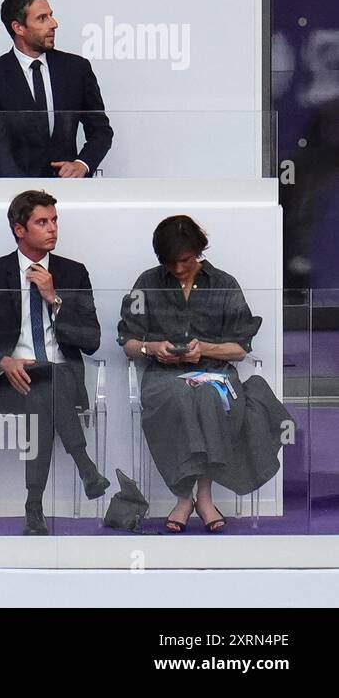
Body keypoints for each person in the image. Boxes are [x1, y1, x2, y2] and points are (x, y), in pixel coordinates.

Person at [118, 216, 287, 534]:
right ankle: (185, 496)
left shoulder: (224, 284)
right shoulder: (147, 283)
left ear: (198, 249)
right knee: (179, 398)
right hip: (164, 376)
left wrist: (205, 350)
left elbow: (240, 348)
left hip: (215, 373)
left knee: (209, 398)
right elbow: (128, 342)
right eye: (171, 263)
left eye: (184, 260)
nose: (179, 269)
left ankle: (202, 496)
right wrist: (153, 348)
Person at [0, 190, 110, 535]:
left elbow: (91, 341)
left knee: (48, 387)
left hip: (61, 379)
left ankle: (34, 506)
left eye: (55, 221)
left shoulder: (73, 274)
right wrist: (4, 362)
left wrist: (55, 300)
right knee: (41, 392)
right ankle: (86, 467)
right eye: (42, 222)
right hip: (10, 381)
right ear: (19, 230)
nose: (53, 229)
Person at [0, 0, 112, 178]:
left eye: (51, 16)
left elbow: (101, 131)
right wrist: (26, 197)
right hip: (17, 197)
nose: (54, 24)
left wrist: (82, 164)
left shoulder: (77, 69)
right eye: (42, 18)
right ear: (18, 28)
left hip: (69, 190)